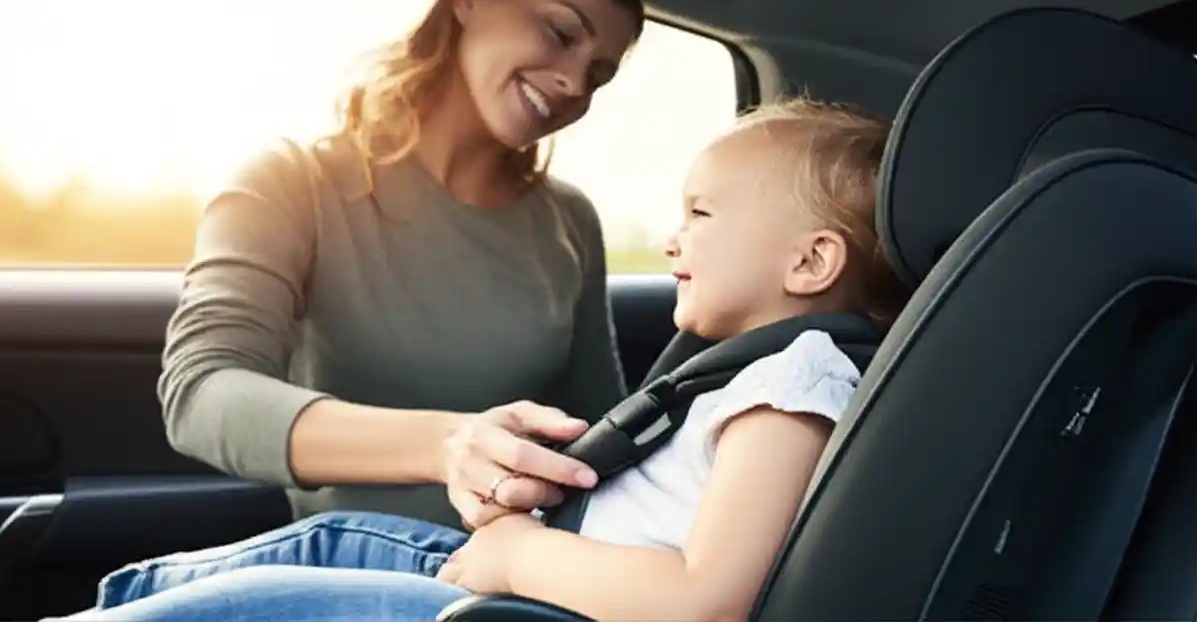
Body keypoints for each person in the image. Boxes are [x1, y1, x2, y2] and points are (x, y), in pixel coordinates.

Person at [58, 98, 911, 621]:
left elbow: (705, 603)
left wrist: (517, 558)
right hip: (527, 578)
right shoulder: (747, 371)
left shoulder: (792, 388)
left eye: (700, 214)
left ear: (810, 263)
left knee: (229, 613)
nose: (670, 237)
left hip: (538, 602)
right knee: (300, 549)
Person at [156, 0, 645, 533]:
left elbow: (598, 435)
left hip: (524, 572)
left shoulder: (569, 222)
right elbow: (200, 395)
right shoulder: (293, 181)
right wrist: (446, 446)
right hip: (353, 564)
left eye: (598, 74)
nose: (573, 82)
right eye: (559, 32)